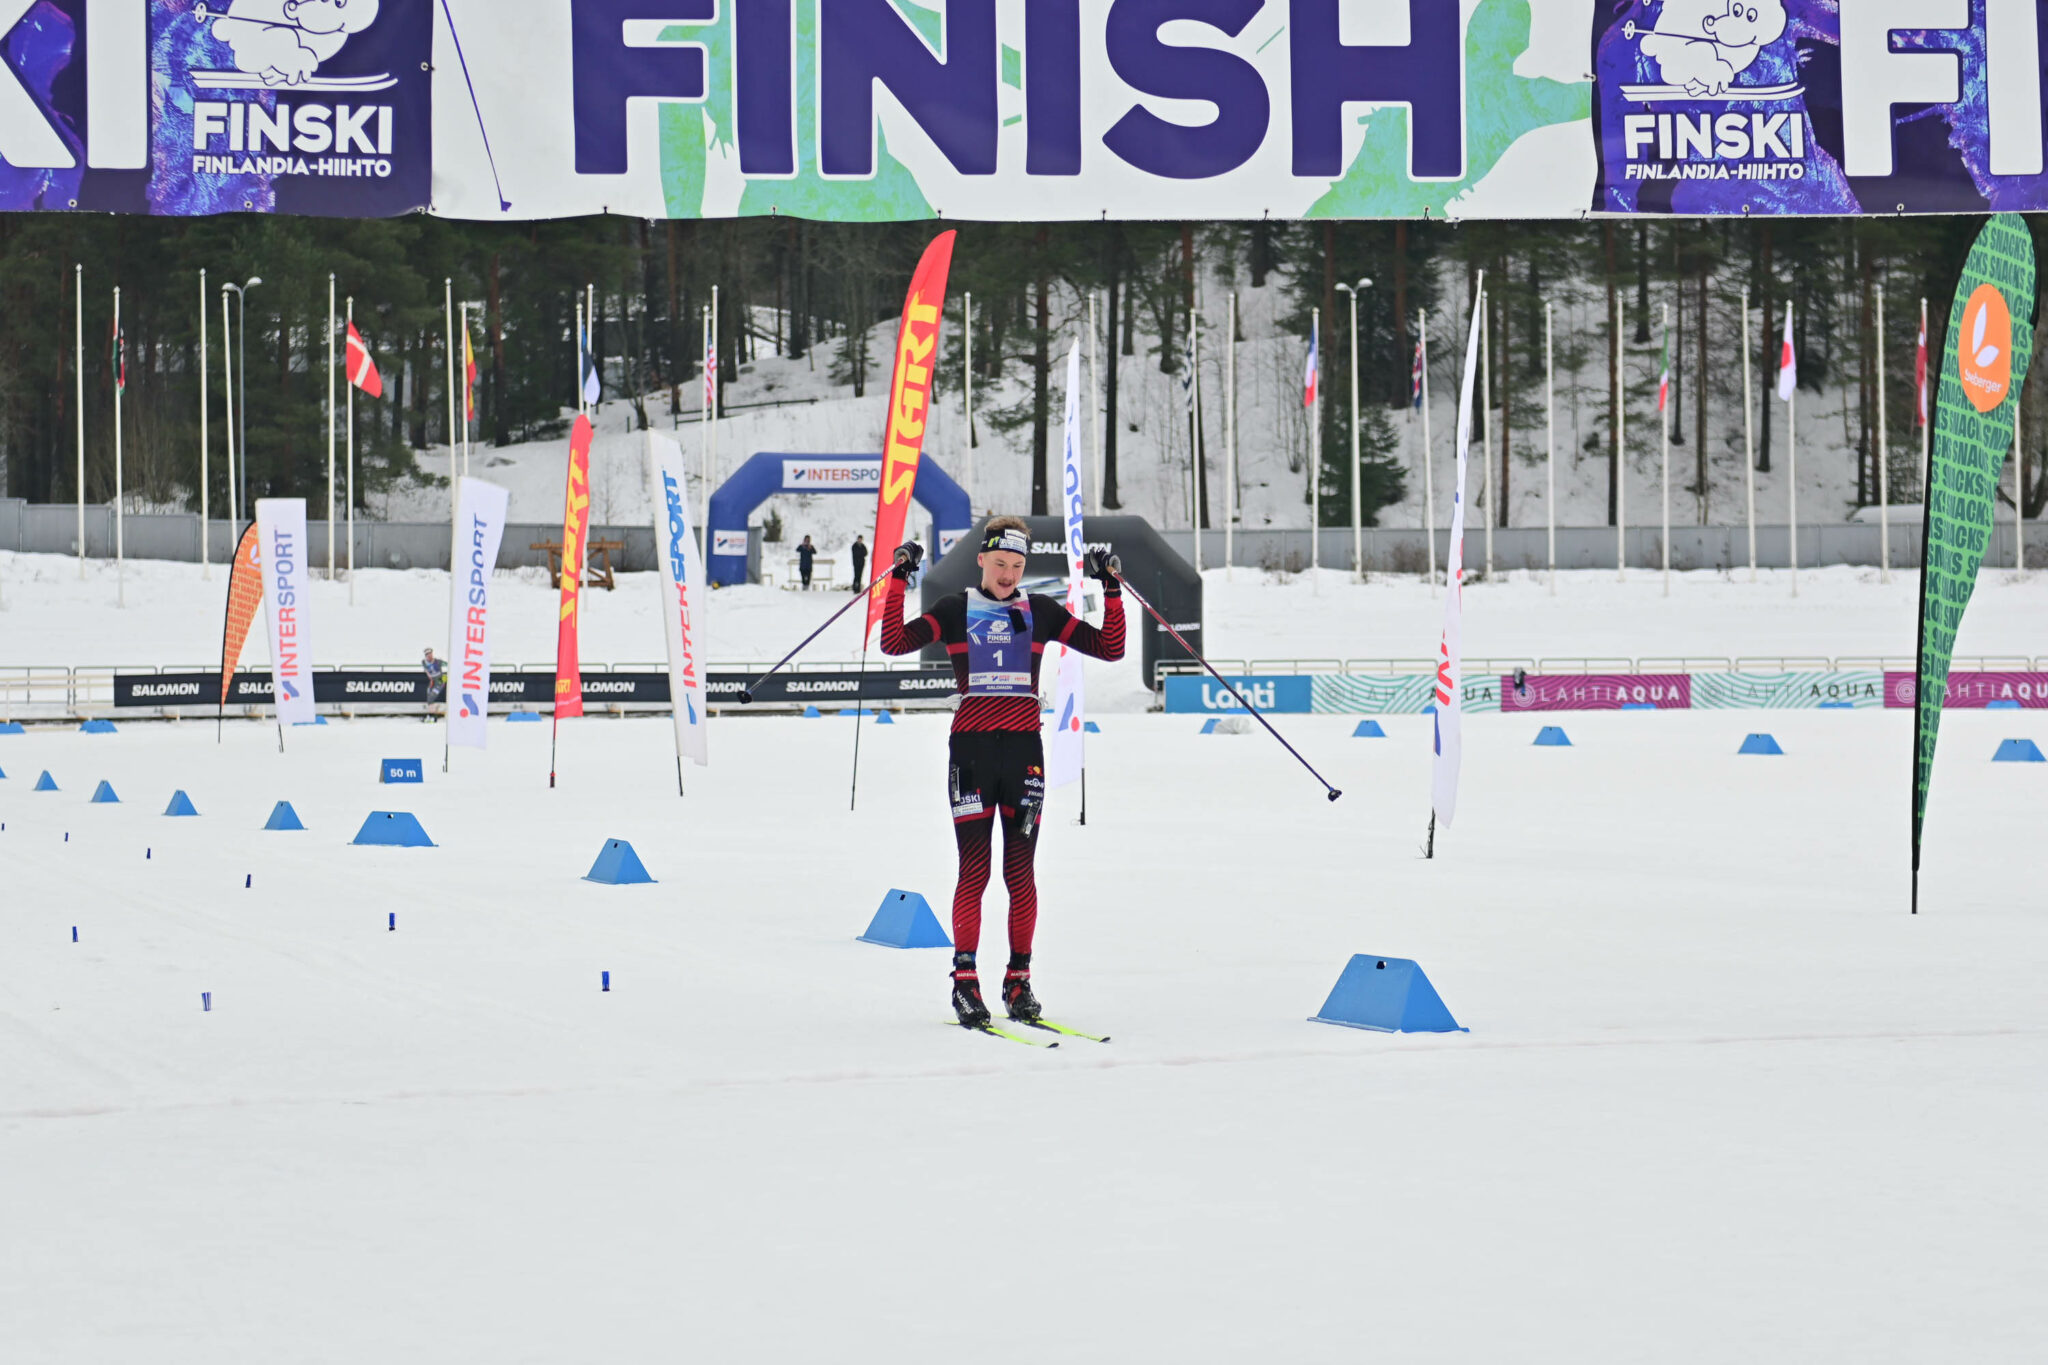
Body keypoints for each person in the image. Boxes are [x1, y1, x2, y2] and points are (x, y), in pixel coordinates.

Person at [881, 516, 1125, 1028]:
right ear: (981, 561)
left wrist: (1111, 589)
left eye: (1016, 565)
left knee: (1020, 873)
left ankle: (1018, 980)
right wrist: (899, 578)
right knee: (975, 871)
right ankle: (965, 983)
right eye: (999, 564)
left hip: (1023, 755)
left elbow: (1110, 648)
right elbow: (894, 643)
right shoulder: (954, 609)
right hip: (971, 754)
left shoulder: (1040, 611)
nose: (1008, 574)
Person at [421, 647, 447, 721]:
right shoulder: (424, 662)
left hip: (440, 680)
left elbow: (449, 665)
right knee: (429, 697)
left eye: (430, 654)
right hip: (432, 681)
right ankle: (431, 714)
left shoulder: (438, 661)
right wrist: (431, 679)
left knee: (432, 696)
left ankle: (432, 715)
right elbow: (426, 671)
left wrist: (445, 678)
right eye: (427, 655)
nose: (429, 656)